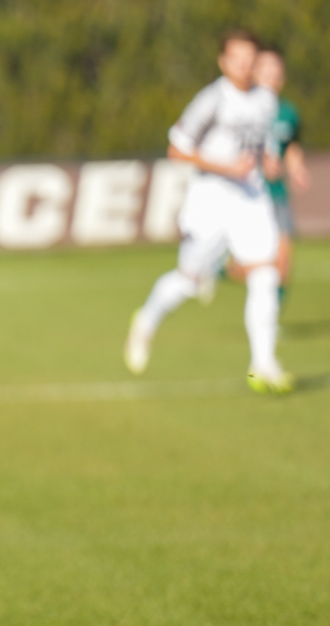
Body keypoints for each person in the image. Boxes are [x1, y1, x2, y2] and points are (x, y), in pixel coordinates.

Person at [125, 29, 290, 393]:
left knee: (265, 273)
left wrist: (270, 162)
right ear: (223, 62)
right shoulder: (213, 99)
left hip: (251, 199)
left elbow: (263, 146)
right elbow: (177, 149)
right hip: (211, 200)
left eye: (249, 59)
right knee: (189, 281)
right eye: (236, 58)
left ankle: (263, 365)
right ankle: (147, 320)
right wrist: (225, 167)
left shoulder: (266, 99)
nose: (244, 65)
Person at [255, 46, 308, 301]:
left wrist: (297, 169)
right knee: (260, 265)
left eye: (275, 69)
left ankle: (271, 315)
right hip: (249, 194)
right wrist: (259, 163)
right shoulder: (243, 108)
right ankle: (219, 271)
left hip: (277, 193)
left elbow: (291, 146)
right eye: (264, 67)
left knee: (284, 262)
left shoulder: (288, 113)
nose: (270, 74)